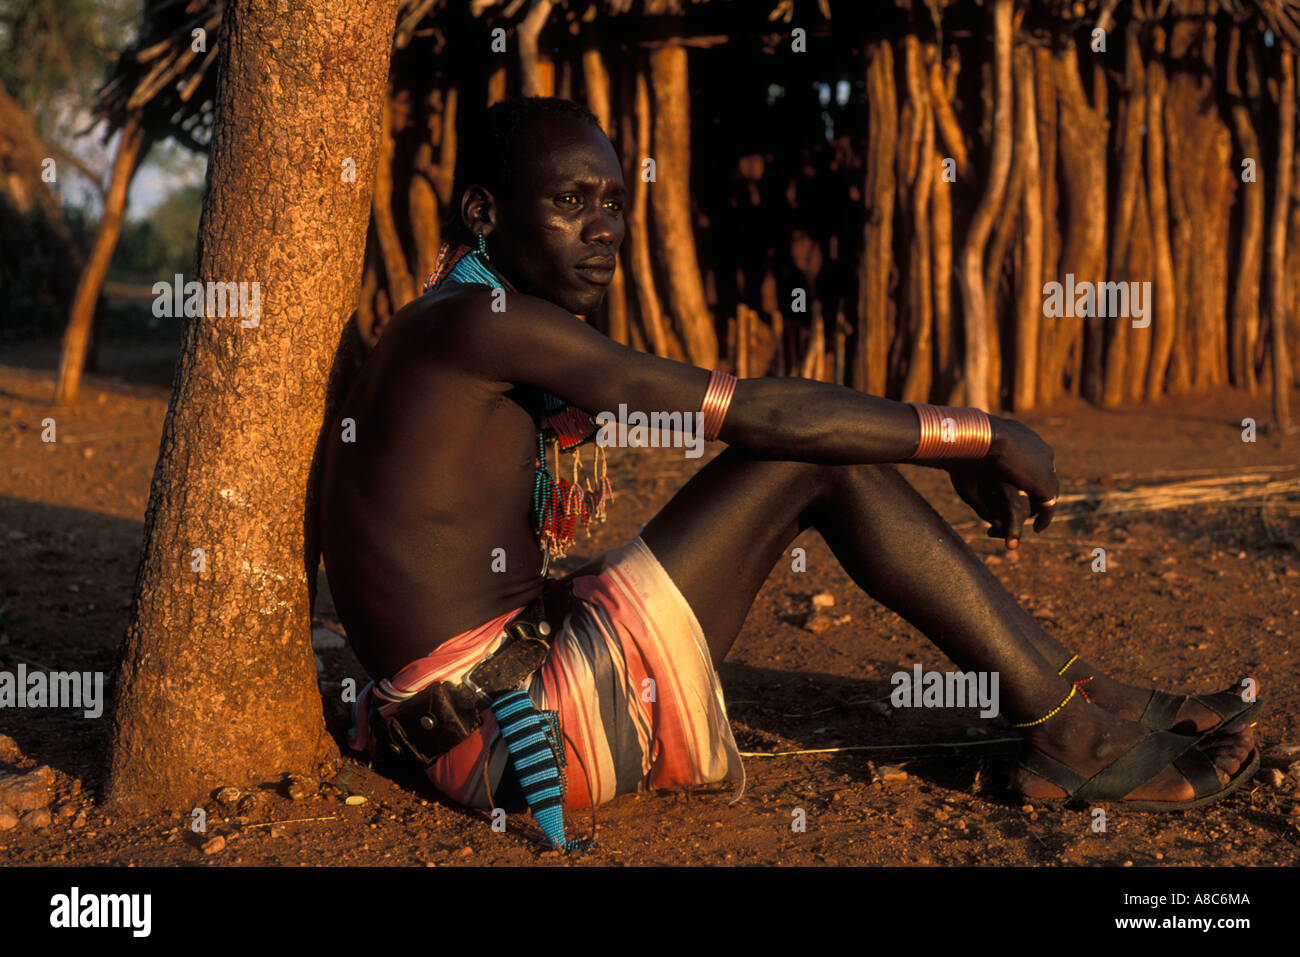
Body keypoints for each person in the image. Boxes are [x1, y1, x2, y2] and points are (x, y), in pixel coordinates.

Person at [319, 97, 1258, 847]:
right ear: (486, 211)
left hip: (472, 718)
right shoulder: (488, 323)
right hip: (523, 742)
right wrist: (978, 434)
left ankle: (1087, 696)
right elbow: (756, 412)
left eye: (613, 203)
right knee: (807, 461)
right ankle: (1076, 733)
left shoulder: (444, 319)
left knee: (811, 460)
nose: (603, 229)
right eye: (570, 202)